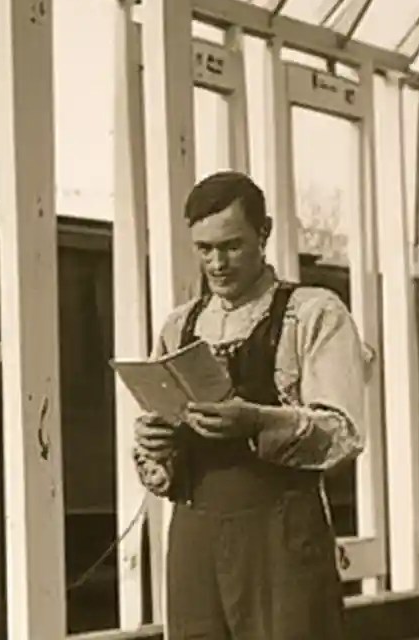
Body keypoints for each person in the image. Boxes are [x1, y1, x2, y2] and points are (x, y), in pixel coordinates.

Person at [132, 171, 371, 639]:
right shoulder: (181, 325)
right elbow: (162, 443)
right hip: (195, 533)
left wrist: (257, 420)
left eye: (232, 246)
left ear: (264, 234)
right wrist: (152, 444)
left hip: (280, 535)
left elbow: (344, 435)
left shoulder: (314, 312)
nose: (217, 263)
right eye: (204, 250)